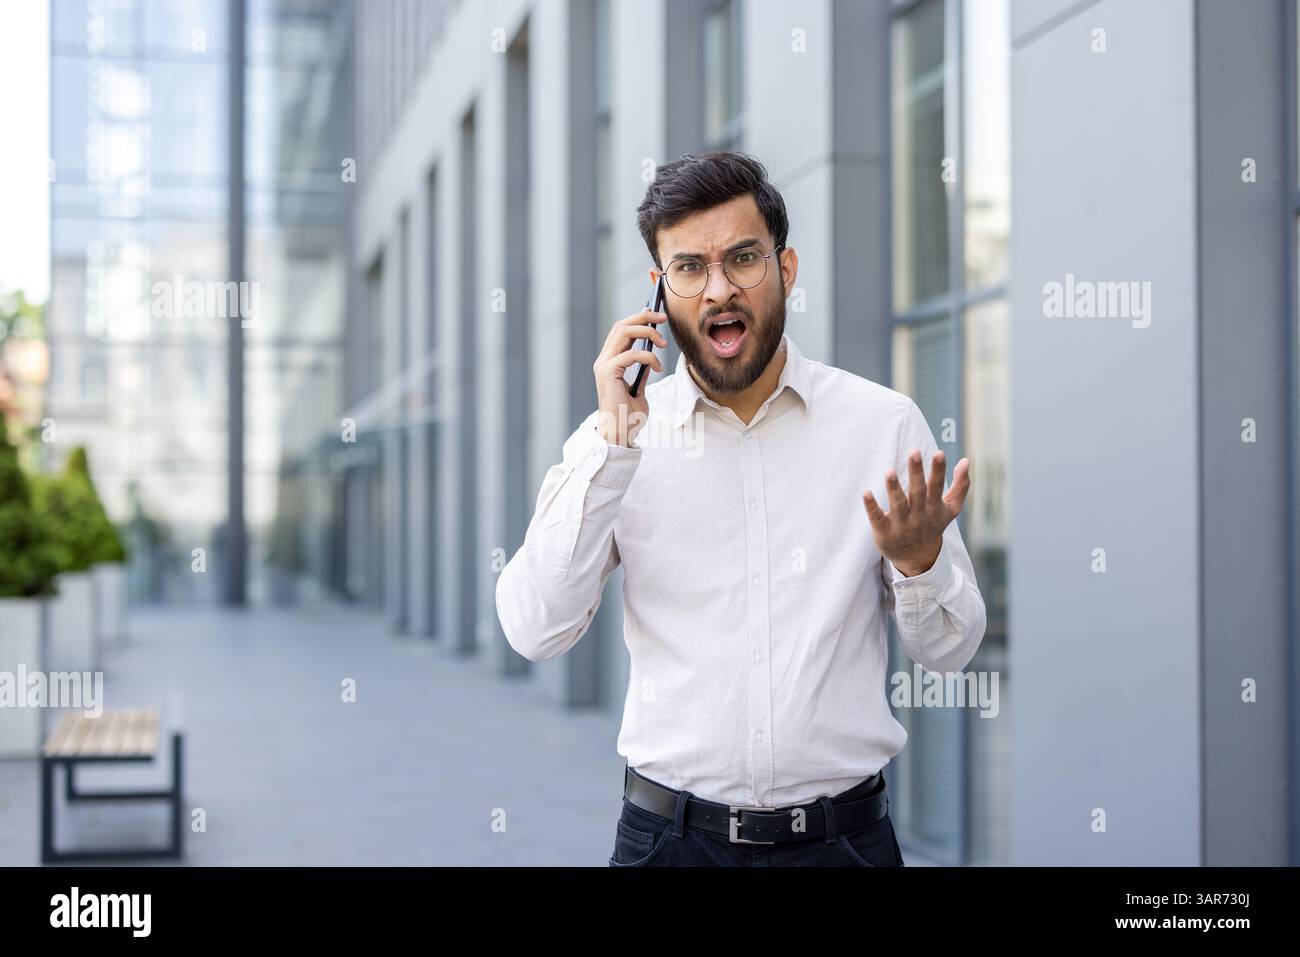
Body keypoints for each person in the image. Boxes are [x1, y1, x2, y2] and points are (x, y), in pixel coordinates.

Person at [495, 151, 987, 866]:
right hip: (668, 844)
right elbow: (534, 628)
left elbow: (951, 651)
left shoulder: (882, 426)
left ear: (786, 270)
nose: (720, 289)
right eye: (690, 267)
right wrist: (614, 443)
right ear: (660, 292)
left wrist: (921, 563)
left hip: (841, 845)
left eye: (744, 259)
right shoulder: (619, 437)